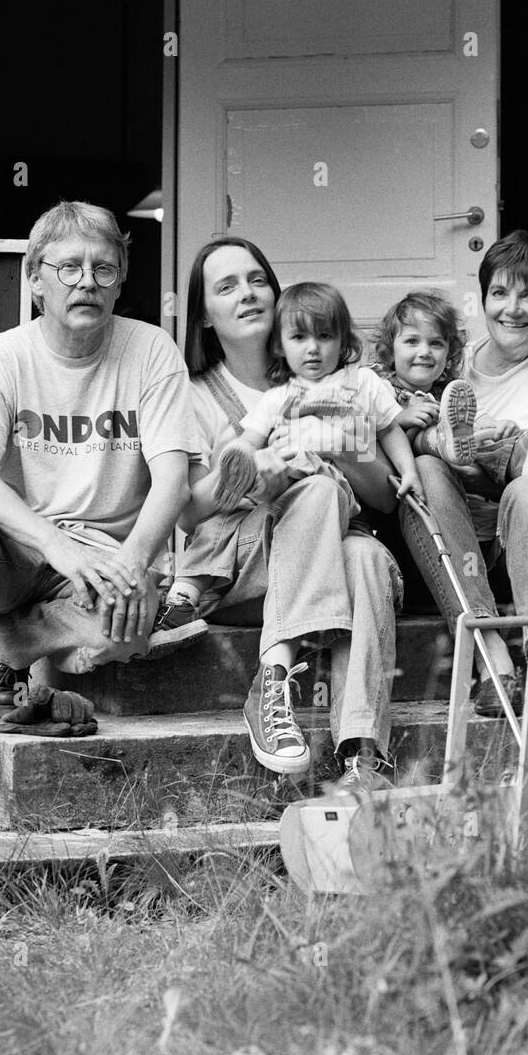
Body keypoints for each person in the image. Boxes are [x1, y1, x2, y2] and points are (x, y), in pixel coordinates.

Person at [0, 201, 200, 827]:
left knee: (131, 621)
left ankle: (6, 650)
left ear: (120, 280)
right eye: (68, 267)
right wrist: (56, 544)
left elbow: (172, 475)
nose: (87, 280)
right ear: (34, 279)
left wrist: (138, 560)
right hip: (19, 545)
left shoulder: (151, 350)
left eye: (104, 268)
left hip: (106, 557)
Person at [170, 236, 405, 791]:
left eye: (257, 280)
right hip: (244, 571)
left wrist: (342, 444)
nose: (247, 294)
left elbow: (385, 500)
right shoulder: (194, 395)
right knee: (317, 494)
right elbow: (184, 516)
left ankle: (362, 754)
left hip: (327, 556)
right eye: (226, 287)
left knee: (366, 553)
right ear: (204, 314)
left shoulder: (330, 382)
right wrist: (256, 481)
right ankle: (272, 680)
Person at [396, 232, 528, 740]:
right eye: (500, 293)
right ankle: (495, 664)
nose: (512, 310)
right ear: (484, 297)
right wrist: (444, 448)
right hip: (447, 543)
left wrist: (501, 473)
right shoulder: (449, 360)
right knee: (426, 467)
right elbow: (391, 419)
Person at [369, 289, 528, 484]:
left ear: (448, 354)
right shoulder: (381, 387)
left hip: (454, 462)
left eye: (436, 343)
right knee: (427, 435)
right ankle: (447, 442)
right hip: (411, 462)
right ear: (390, 350)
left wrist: (498, 427)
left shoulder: (448, 392)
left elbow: (476, 417)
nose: (425, 352)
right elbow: (368, 434)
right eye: (412, 341)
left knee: (481, 441)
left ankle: (521, 457)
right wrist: (400, 419)